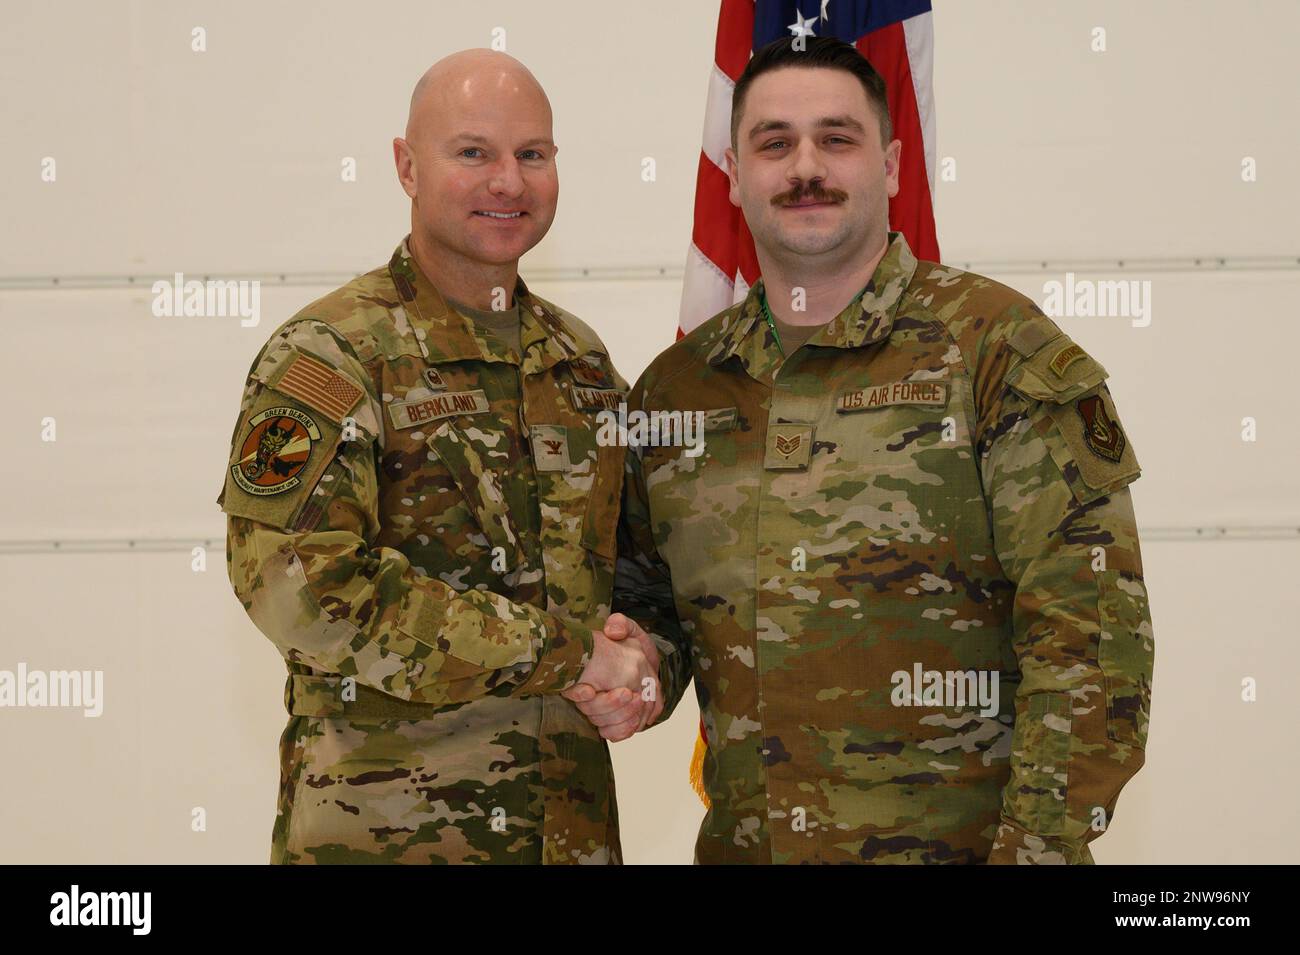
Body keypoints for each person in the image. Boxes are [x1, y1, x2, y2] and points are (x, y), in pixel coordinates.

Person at [588, 36, 1154, 864]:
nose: (805, 165)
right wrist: (636, 666)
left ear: (890, 165)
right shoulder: (679, 391)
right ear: (735, 174)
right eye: (774, 142)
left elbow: (1094, 640)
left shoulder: (996, 351)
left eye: (837, 138)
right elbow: (656, 609)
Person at [216, 49, 664, 865]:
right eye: (473, 152)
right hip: (383, 839)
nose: (508, 181)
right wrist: (564, 654)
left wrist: (647, 669)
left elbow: (645, 568)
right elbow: (298, 584)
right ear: (406, 166)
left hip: (571, 839)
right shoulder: (331, 357)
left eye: (533, 154)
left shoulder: (582, 366)